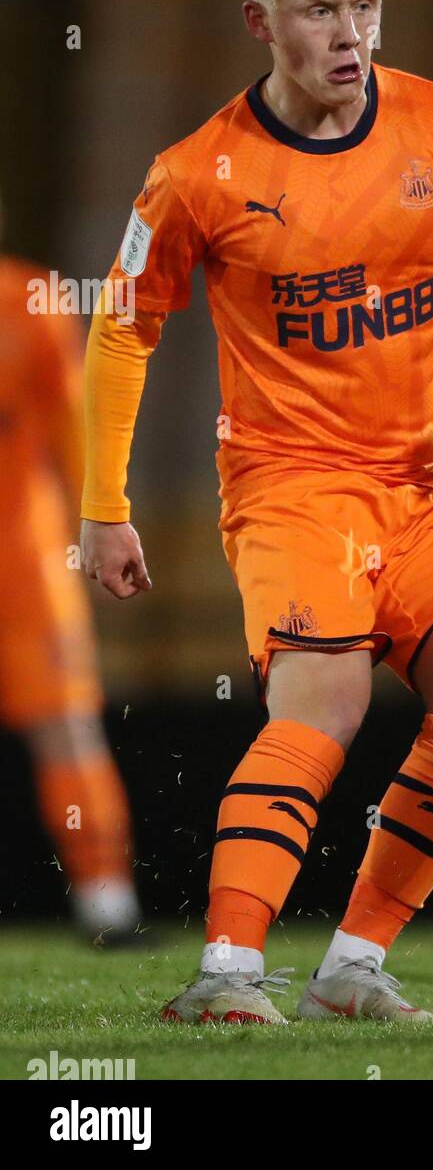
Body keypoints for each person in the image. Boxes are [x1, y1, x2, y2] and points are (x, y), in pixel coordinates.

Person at [80, 0, 433, 1024]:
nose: (349, 35)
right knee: (322, 702)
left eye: (364, 5)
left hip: (431, 476)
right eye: (319, 10)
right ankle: (224, 976)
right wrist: (103, 504)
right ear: (260, 22)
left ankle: (350, 967)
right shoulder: (196, 175)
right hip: (289, 482)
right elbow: (122, 326)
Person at [0, 236, 141, 944]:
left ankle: (107, 905)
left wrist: (101, 523)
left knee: (68, 728)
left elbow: (72, 427)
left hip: (23, 561)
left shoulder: (30, 300)